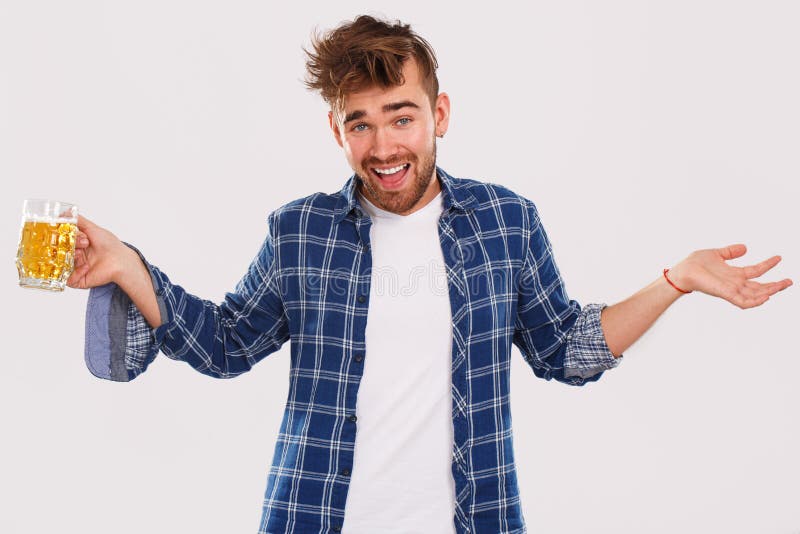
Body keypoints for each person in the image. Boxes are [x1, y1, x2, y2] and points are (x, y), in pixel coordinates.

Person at [68, 15, 792, 534]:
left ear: (439, 114)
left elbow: (564, 350)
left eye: (402, 117)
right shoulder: (299, 232)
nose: (383, 145)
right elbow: (225, 345)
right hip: (314, 515)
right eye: (360, 123)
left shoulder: (506, 222)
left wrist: (675, 281)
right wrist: (128, 266)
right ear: (336, 129)